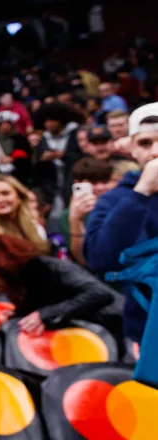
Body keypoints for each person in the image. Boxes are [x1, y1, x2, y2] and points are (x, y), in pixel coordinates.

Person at [84, 103, 158, 351]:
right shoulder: (116, 200)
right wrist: (142, 193)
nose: (156, 151)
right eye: (145, 143)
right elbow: (102, 259)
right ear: (132, 149)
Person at [0, 235, 122, 335]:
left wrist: (44, 314)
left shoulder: (48, 268)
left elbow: (100, 293)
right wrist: (19, 315)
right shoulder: (25, 278)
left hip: (117, 324)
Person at [64, 157, 118, 265]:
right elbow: (83, 259)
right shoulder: (68, 215)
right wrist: (75, 220)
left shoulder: (123, 206)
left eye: (105, 181)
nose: (100, 187)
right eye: (93, 182)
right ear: (77, 184)